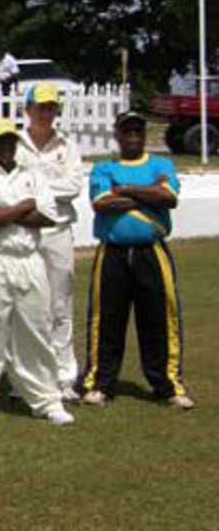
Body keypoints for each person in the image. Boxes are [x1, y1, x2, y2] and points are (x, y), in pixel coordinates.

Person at [0, 118, 75, 428]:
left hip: (29, 258)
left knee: (36, 328)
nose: (7, 148)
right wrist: (24, 206)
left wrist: (10, 211)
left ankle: (46, 400)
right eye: (0, 142)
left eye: (10, 142)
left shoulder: (32, 175)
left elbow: (48, 216)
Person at [81, 111, 194, 409]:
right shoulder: (104, 167)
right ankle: (100, 383)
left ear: (143, 135)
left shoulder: (162, 164)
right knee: (106, 320)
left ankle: (167, 385)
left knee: (159, 319)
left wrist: (126, 189)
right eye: (126, 131)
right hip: (113, 253)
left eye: (137, 131)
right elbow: (102, 203)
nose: (132, 137)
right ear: (117, 135)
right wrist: (149, 193)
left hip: (151, 252)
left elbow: (169, 198)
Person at [16, 83, 85, 401]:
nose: (45, 113)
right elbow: (9, 188)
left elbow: (73, 185)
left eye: (50, 108)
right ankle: (25, 377)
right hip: (23, 232)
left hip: (57, 231)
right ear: (28, 110)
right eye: (40, 107)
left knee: (60, 304)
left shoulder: (66, 146)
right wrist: (37, 192)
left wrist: (36, 190)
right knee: (24, 305)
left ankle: (63, 377)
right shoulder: (14, 144)